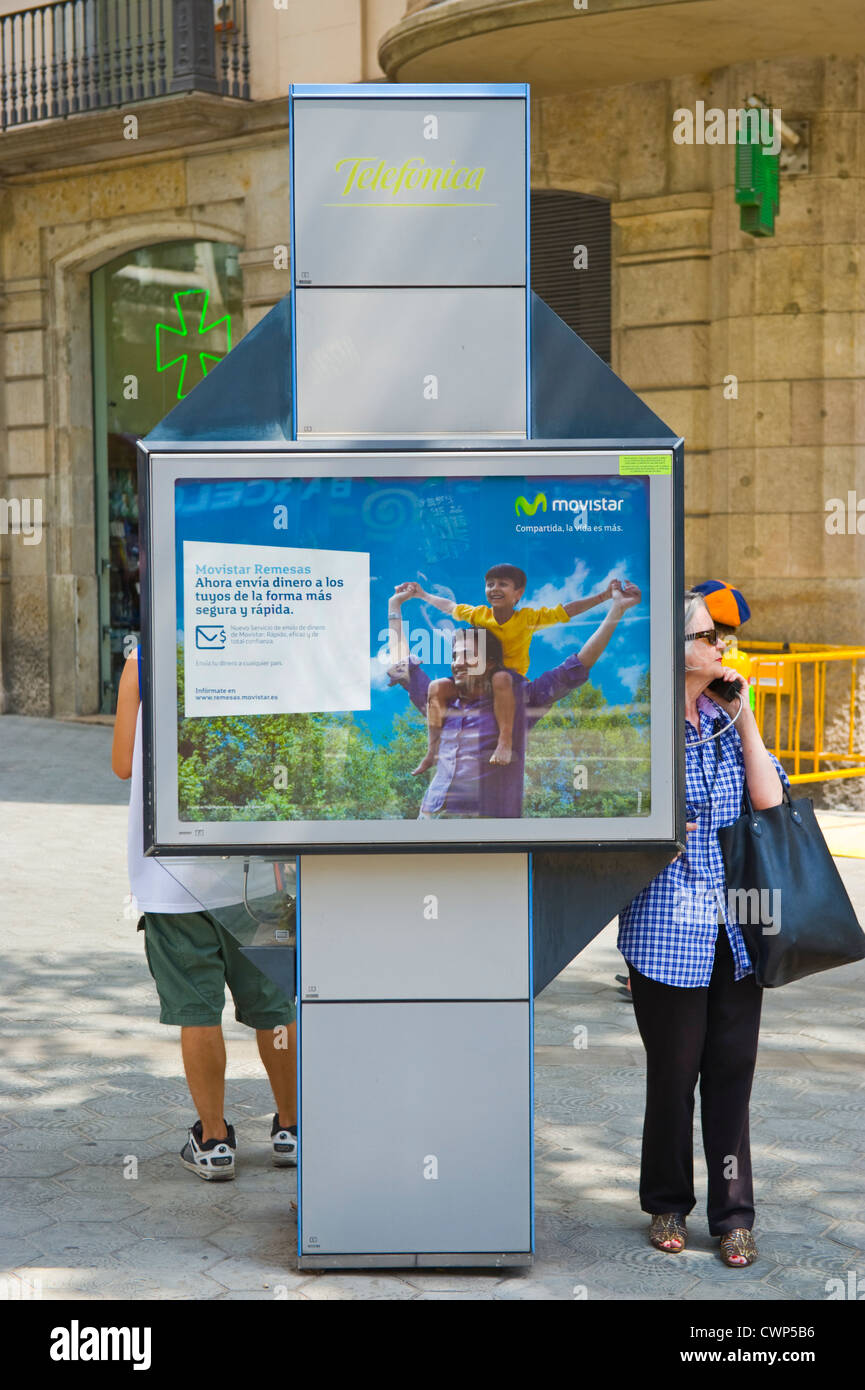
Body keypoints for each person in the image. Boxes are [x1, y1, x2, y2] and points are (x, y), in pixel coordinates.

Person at [616, 591, 788, 1267]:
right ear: (670, 644)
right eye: (708, 634)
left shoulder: (721, 714)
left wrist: (743, 714)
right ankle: (665, 1202)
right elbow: (600, 806)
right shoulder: (640, 720)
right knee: (674, 1070)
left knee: (732, 1070)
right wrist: (650, 832)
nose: (722, 643)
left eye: (724, 635)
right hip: (666, 923)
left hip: (738, 923)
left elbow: (769, 801)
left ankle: (733, 1214)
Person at [111, 645, 297, 1181]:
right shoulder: (261, 645)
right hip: (253, 871)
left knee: (197, 1008)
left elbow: (125, 763)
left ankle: (214, 1141)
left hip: (174, 875)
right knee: (273, 1002)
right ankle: (291, 1128)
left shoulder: (142, 657)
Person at [387, 578, 641, 817]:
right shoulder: (442, 703)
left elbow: (577, 666)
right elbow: (404, 667)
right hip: (430, 816)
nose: (458, 663)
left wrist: (616, 609)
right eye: (454, 657)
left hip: (486, 829)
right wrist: (395, 605)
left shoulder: (519, 703)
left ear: (490, 663)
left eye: (467, 655)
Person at [394, 566, 617, 773]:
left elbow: (566, 611)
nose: (495, 589)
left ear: (518, 593)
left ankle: (504, 742)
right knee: (438, 686)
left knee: (500, 678)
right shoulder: (479, 614)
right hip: (479, 677)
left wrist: (603, 597)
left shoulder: (527, 618)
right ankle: (432, 752)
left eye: (502, 584)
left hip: (510, 681)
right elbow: (449, 607)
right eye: (490, 584)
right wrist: (422, 595)